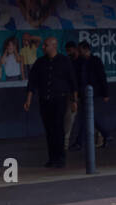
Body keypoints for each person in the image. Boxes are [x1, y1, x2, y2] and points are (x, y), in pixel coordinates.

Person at [22, 36, 77, 168]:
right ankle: (52, 158)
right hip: (45, 99)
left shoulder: (64, 61)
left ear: (54, 46)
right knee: (49, 129)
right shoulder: (40, 62)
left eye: (46, 45)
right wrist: (28, 99)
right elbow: (32, 82)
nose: (43, 47)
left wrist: (74, 100)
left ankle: (60, 157)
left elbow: (73, 81)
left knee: (59, 128)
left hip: (60, 99)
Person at [69, 41, 112, 150]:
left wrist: (105, 93)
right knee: (88, 117)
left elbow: (102, 77)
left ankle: (80, 142)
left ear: (86, 50)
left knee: (87, 117)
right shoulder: (80, 62)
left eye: (80, 50)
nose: (79, 52)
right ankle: (106, 134)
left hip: (94, 93)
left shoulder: (95, 61)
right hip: (83, 93)